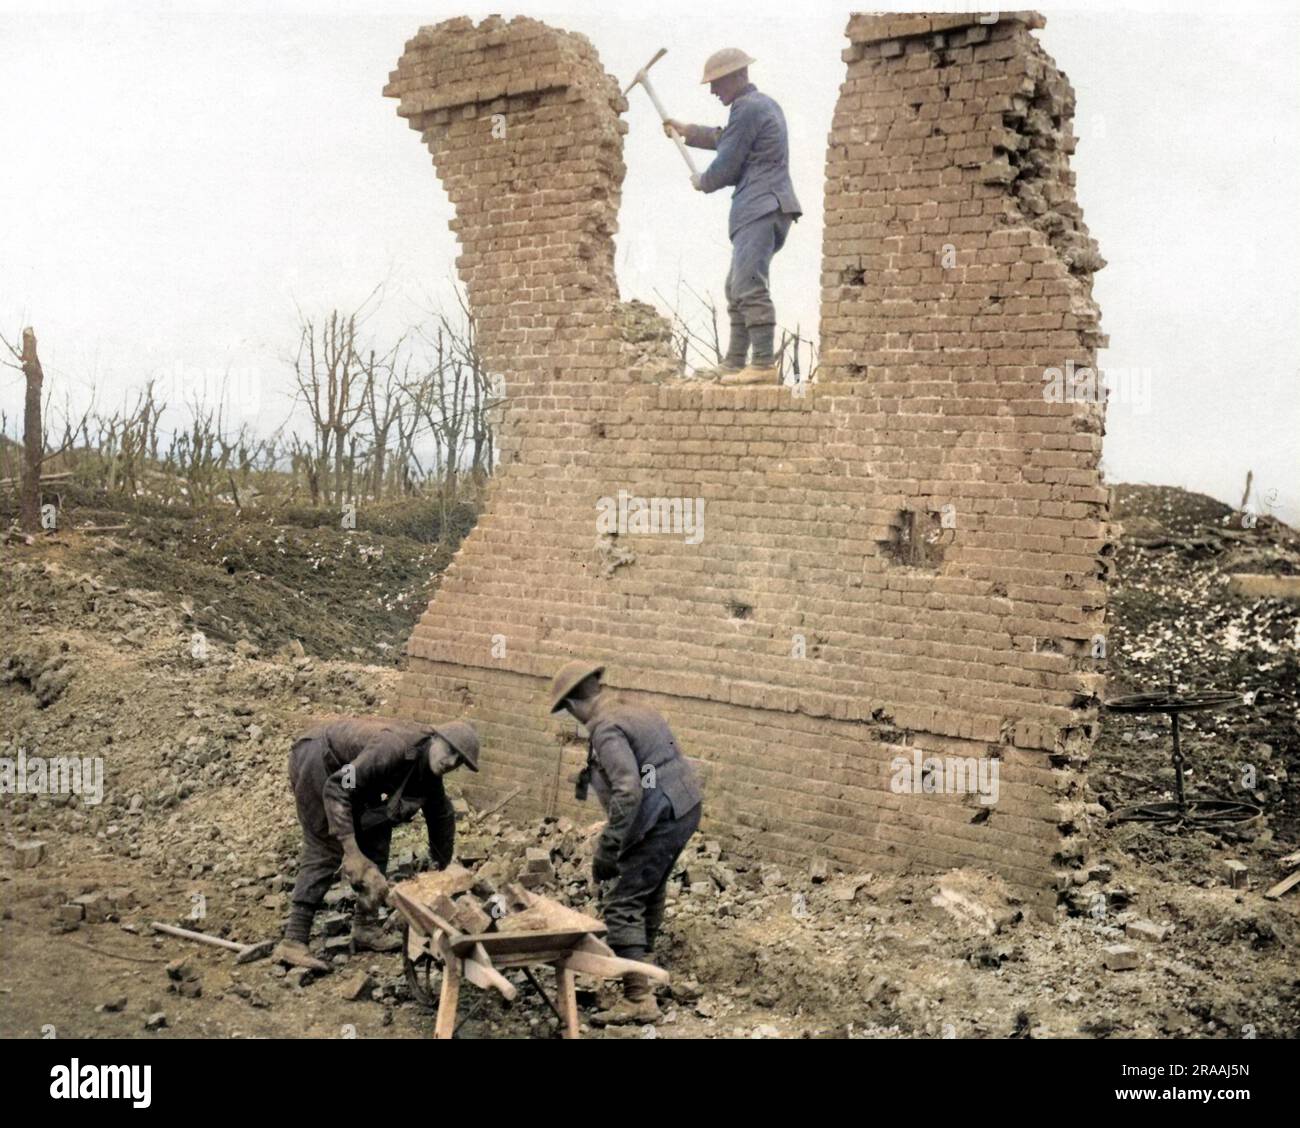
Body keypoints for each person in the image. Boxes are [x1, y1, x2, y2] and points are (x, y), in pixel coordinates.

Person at [549, 660, 703, 1024]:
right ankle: (643, 971)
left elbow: (628, 791)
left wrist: (609, 849)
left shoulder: (605, 727)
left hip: (660, 814)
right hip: (685, 805)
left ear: (572, 706)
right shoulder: (633, 708)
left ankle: (638, 997)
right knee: (648, 887)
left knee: (623, 900)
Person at [271, 716, 479, 972]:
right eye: (450, 752)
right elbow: (338, 786)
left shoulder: (428, 772)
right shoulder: (394, 746)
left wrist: (441, 872)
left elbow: (441, 817)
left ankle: (366, 927)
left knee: (377, 835)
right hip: (320, 761)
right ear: (435, 739)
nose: (451, 762)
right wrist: (351, 851)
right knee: (326, 843)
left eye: (459, 761)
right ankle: (294, 938)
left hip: (353, 777)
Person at [665, 47, 802, 386]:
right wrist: (689, 131)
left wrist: (704, 180)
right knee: (735, 286)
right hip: (765, 207)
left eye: (717, 83)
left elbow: (727, 163)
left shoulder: (747, 108)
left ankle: (762, 365)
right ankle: (735, 363)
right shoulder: (760, 106)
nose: (713, 91)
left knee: (747, 285)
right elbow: (728, 138)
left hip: (761, 206)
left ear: (738, 76)